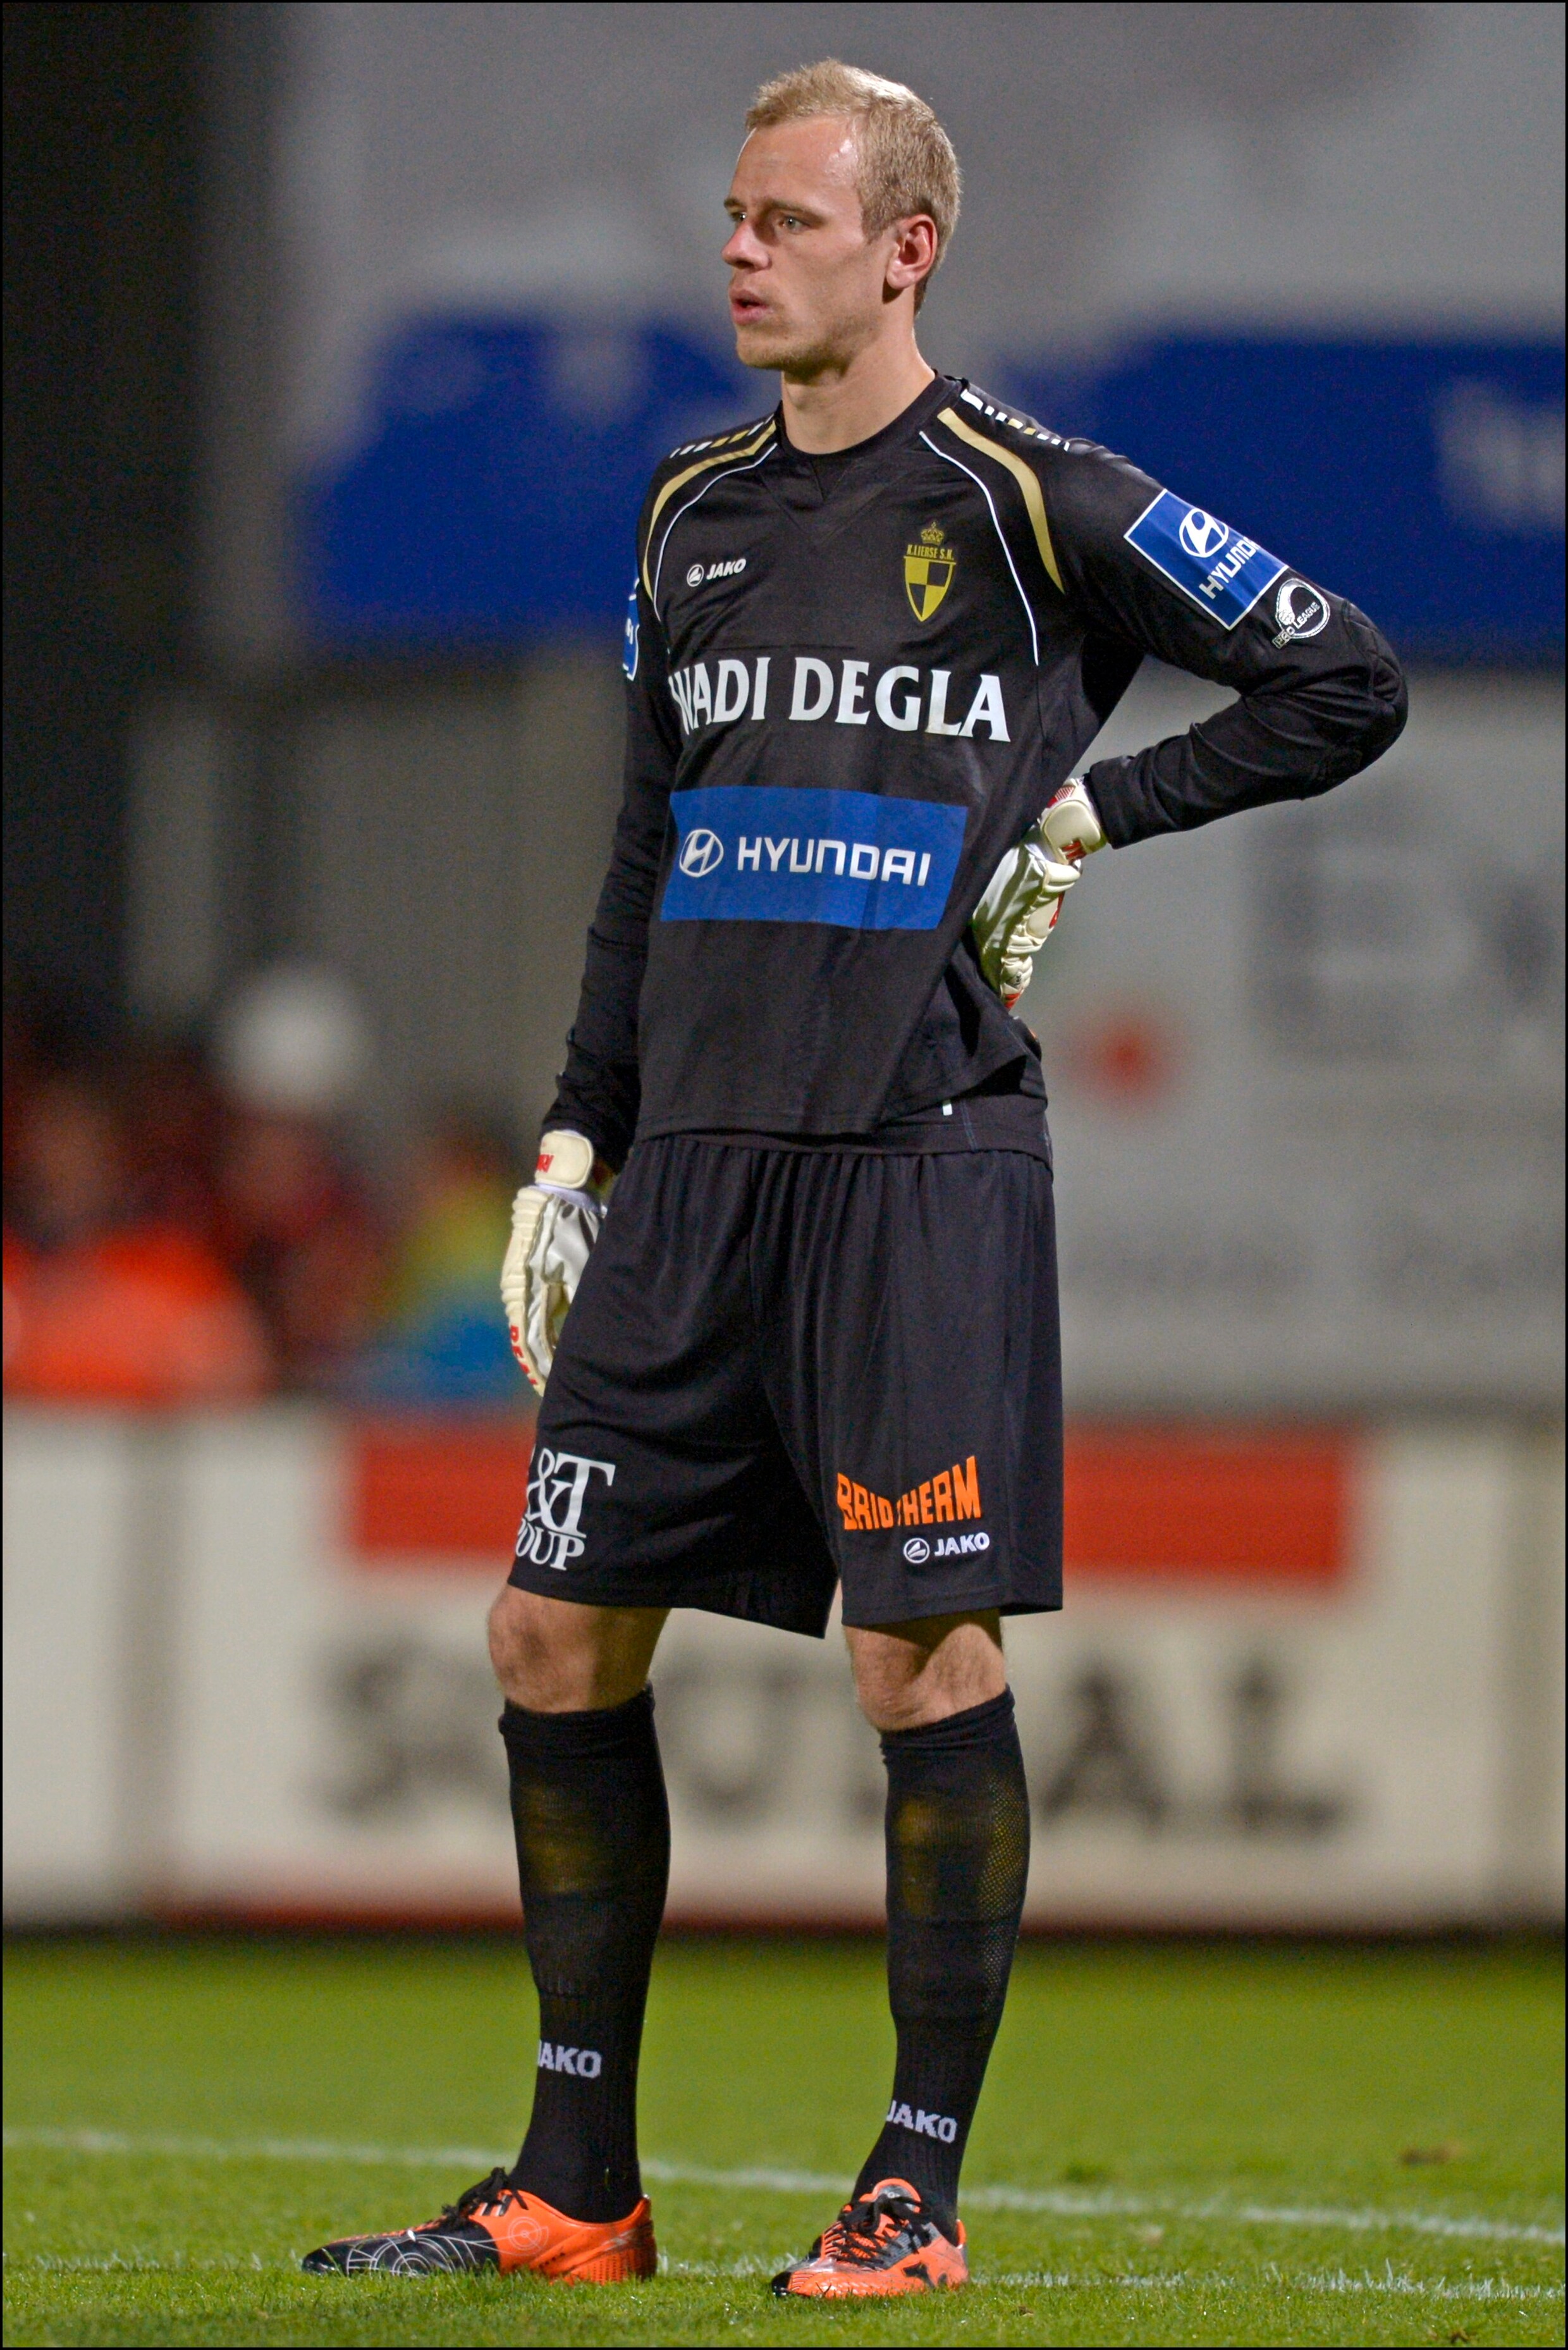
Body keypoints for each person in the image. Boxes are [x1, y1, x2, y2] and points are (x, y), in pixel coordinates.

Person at [304, 59, 1405, 2295]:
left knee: (918, 1658)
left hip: (918, 1162)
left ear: (906, 251)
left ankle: (914, 2190)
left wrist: (1097, 812)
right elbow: (649, 846)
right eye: (732, 215)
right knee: (546, 1629)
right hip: (693, 1171)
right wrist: (577, 1131)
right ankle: (577, 2186)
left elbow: (1339, 675)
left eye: (785, 220)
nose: (739, 250)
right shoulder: (685, 512)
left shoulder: (1033, 498)